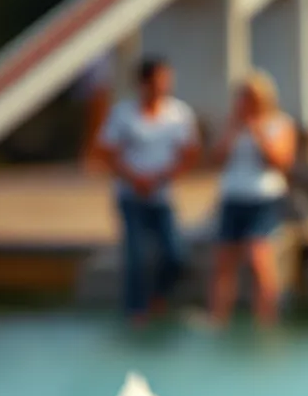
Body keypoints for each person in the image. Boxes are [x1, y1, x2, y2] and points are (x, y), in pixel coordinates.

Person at [95, 58, 200, 325]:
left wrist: (161, 177)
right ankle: (135, 312)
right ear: (143, 84)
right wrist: (134, 178)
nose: (163, 87)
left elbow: (189, 154)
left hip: (161, 195)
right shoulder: (123, 113)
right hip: (131, 195)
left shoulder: (179, 113)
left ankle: (158, 298)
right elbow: (106, 152)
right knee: (136, 255)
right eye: (158, 81)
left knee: (176, 254)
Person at [209, 71, 297, 326]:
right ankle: (217, 319)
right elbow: (215, 159)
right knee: (224, 260)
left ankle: (267, 320)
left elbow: (281, 161)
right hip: (233, 197)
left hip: (263, 198)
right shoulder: (231, 125)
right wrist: (233, 132)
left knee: (258, 257)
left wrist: (257, 131)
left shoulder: (279, 123)